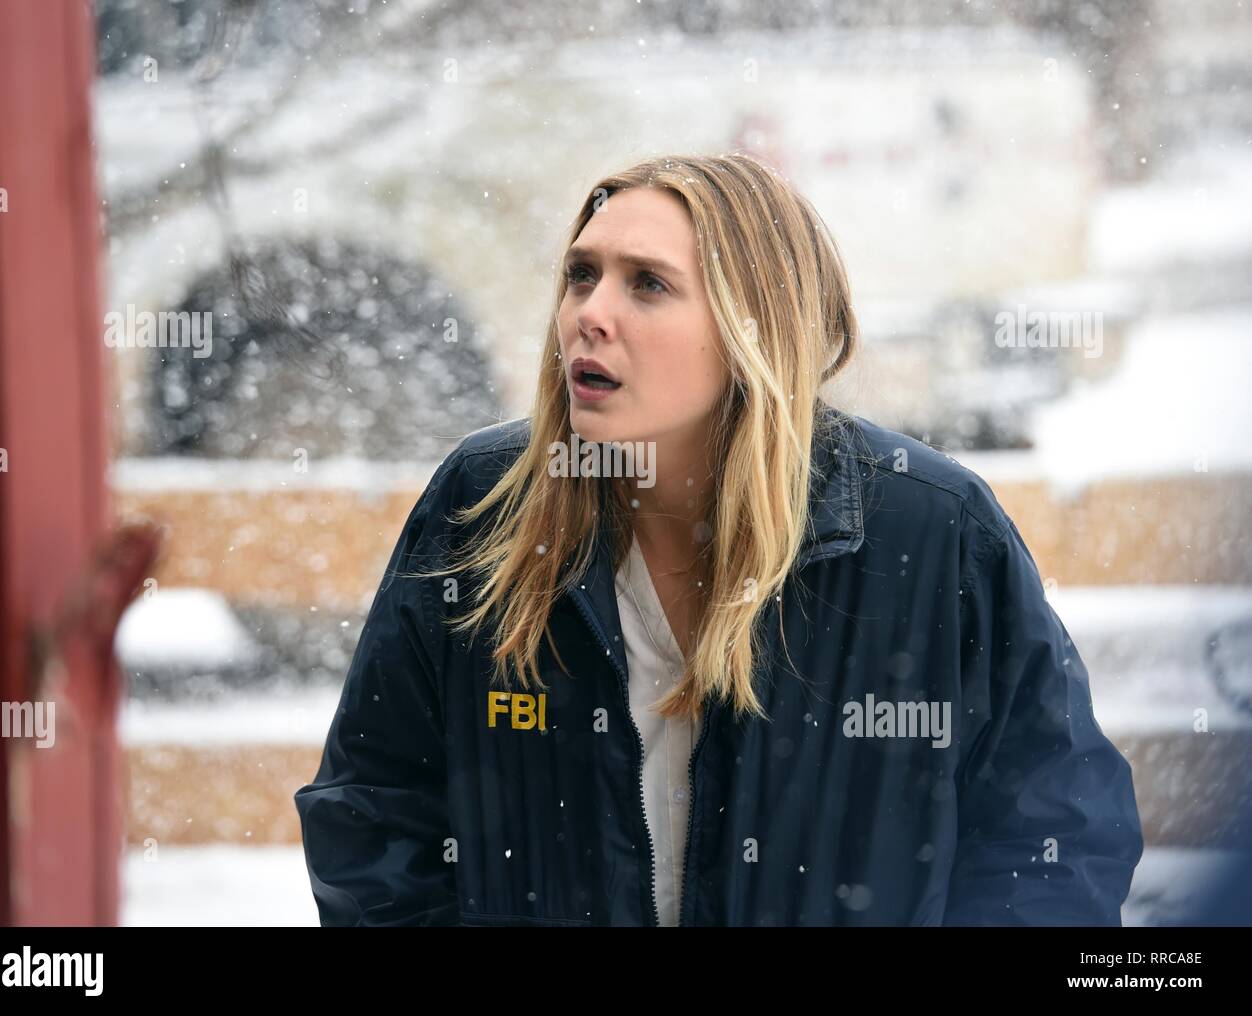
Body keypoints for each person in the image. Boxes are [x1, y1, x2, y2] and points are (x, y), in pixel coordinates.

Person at [294, 152, 1143, 926]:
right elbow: (372, 815)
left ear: (753, 327)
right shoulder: (481, 504)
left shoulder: (931, 528)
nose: (591, 314)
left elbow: (1054, 835)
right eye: (581, 275)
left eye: (647, 284)